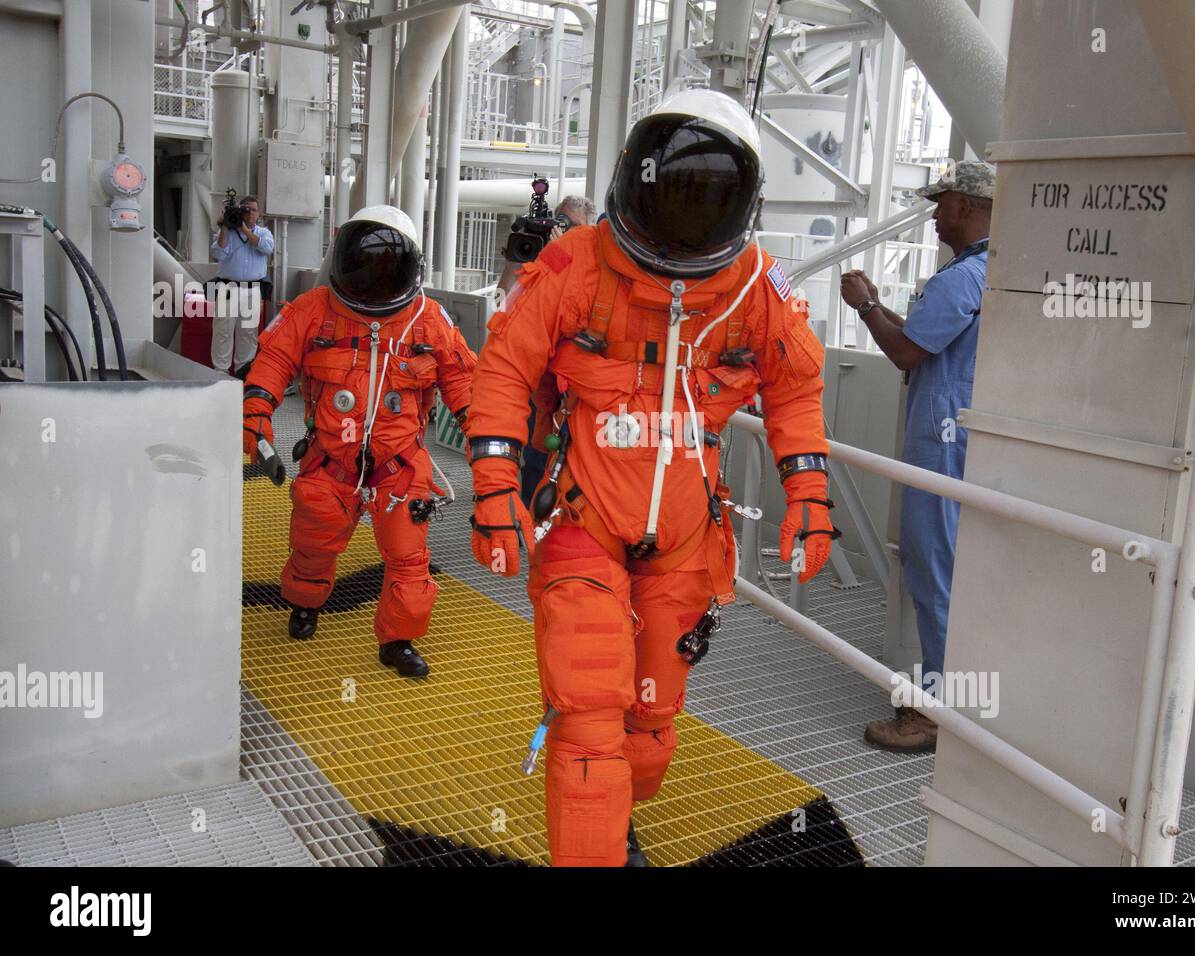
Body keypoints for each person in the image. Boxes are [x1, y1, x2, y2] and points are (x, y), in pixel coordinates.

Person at [465, 90, 837, 866]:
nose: (683, 218)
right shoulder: (573, 264)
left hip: (684, 545)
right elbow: (505, 370)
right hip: (584, 528)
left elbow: (795, 389)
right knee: (590, 716)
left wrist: (809, 493)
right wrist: (495, 488)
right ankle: (597, 839)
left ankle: (617, 820)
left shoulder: (755, 291)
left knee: (652, 726)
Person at [240, 206, 477, 679]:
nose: (373, 280)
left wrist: (491, 452)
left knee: (409, 559)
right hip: (331, 463)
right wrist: (256, 417)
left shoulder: (428, 321)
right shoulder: (313, 311)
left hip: (400, 467)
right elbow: (271, 363)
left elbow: (465, 388)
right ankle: (306, 603)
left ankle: (398, 640)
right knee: (313, 544)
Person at [838, 159, 995, 753]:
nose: (934, 214)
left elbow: (906, 354)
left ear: (968, 207)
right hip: (974, 440)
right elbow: (928, 342)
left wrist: (864, 306)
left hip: (942, 443)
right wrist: (883, 307)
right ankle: (960, 699)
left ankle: (936, 716)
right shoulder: (990, 274)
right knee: (959, 573)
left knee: (936, 571)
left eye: (942, 202)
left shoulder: (959, 280)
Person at [499, 195, 598, 507]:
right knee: (533, 463)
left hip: (580, 395)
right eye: (563, 224)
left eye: (576, 228)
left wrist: (565, 257)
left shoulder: (597, 268)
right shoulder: (542, 264)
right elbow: (503, 305)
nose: (567, 233)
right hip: (540, 389)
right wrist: (518, 258)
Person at [210, 195, 274, 375]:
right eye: (246, 209)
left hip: (252, 289)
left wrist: (244, 230)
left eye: (253, 210)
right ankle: (220, 372)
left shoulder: (264, 233)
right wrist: (224, 225)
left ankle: (243, 372)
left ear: (259, 213)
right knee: (223, 330)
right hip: (227, 288)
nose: (250, 213)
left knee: (248, 332)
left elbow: (266, 248)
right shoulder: (228, 232)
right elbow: (218, 252)